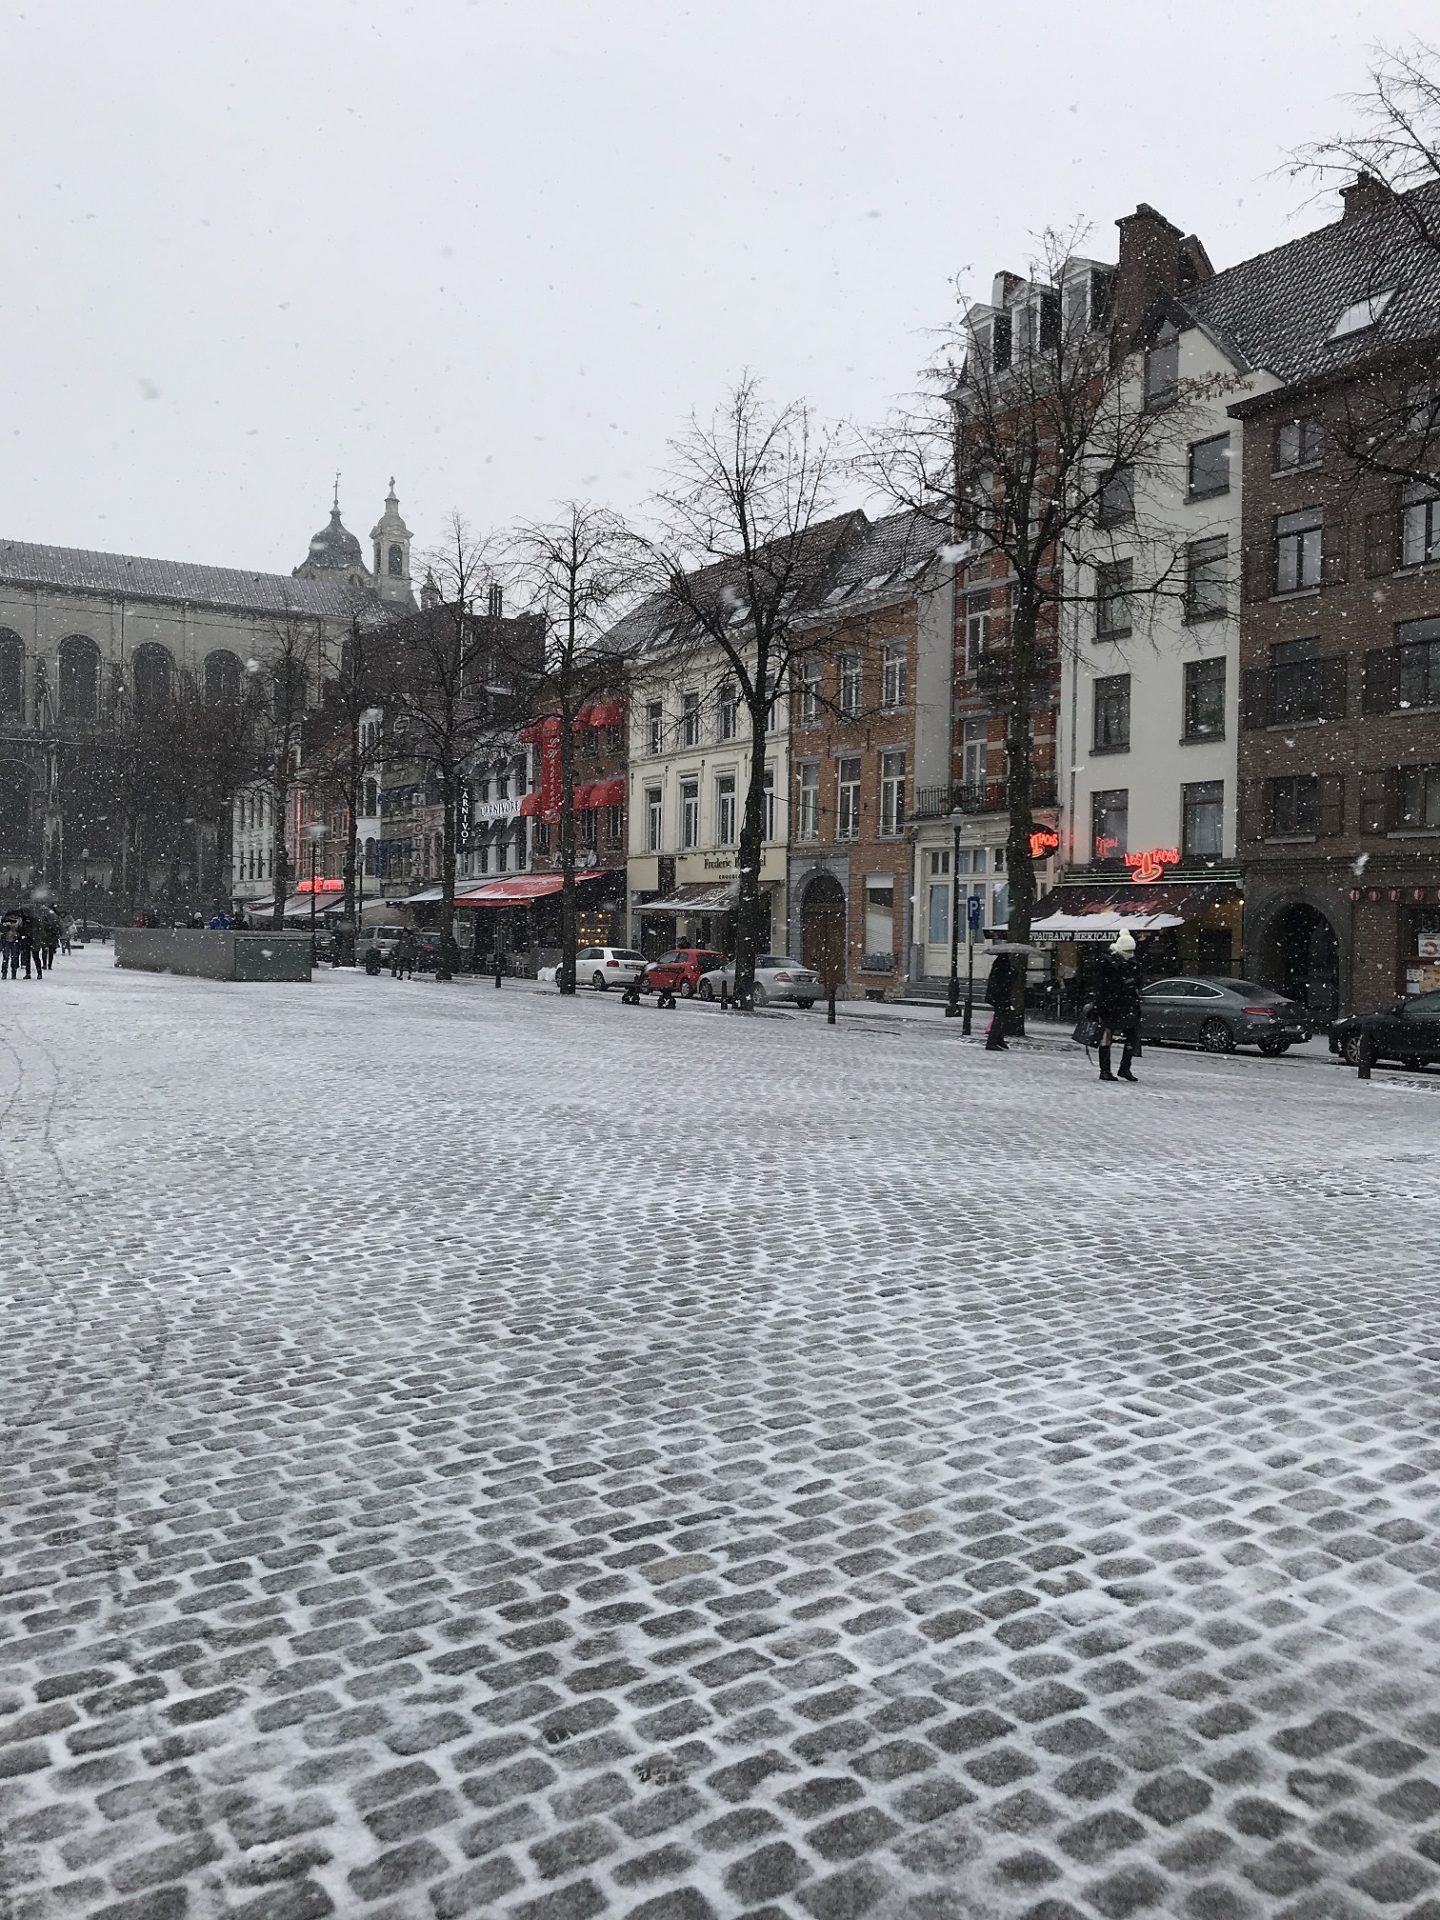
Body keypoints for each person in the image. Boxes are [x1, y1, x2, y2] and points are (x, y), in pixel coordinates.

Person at [1093, 929, 1142, 1082]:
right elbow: (1105, 986)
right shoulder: (1108, 964)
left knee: (1132, 1036)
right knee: (1107, 1037)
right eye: (1128, 951)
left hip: (1126, 1004)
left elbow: (1137, 981)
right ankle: (1106, 1070)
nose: (1131, 954)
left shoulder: (1131, 964)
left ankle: (1124, 1068)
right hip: (1112, 1005)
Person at [983, 950, 1016, 1052]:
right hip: (1000, 996)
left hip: (999, 995)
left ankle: (998, 1038)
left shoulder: (1001, 963)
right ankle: (992, 1041)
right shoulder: (1003, 964)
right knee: (999, 1018)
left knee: (1002, 1017)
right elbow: (1004, 980)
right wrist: (1013, 973)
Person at [0, 908, 19, 980]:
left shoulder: (6, 921)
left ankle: (6, 973)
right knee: (10, 957)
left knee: (7, 957)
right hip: (9, 940)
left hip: (10, 940)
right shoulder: (17, 921)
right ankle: (10, 973)